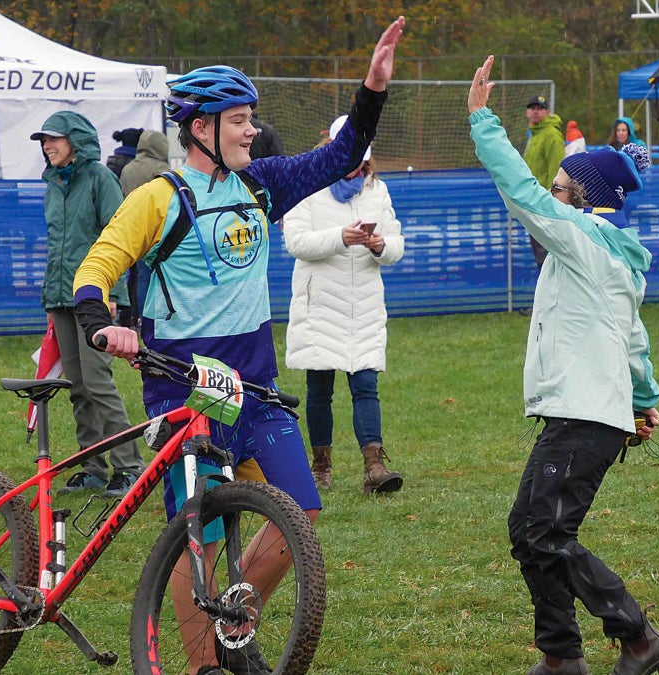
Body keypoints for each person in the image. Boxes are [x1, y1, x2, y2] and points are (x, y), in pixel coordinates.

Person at [73, 17, 405, 673]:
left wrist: (371, 90)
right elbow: (98, 265)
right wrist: (99, 320)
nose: (252, 129)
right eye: (239, 120)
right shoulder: (159, 197)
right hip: (184, 390)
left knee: (298, 515)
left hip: (252, 388)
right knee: (196, 534)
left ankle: (233, 623)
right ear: (201, 129)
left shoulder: (260, 184)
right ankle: (202, 666)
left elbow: (338, 157)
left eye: (252, 118)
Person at [469, 56, 659, 675]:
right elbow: (632, 340)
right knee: (527, 530)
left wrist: (483, 122)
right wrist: (642, 400)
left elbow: (522, 192)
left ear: (584, 197)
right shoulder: (608, 256)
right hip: (586, 413)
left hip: (582, 416)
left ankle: (638, 638)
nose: (550, 194)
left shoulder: (584, 239)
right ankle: (561, 656)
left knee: (546, 534)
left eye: (560, 186)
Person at [282, 115, 405, 494]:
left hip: (364, 304)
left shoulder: (377, 190)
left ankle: (375, 467)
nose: (356, 167)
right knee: (319, 389)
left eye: (361, 160)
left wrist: (381, 245)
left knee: (366, 384)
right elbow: (297, 242)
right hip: (320, 304)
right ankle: (321, 469)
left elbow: (397, 242)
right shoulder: (304, 185)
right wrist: (342, 237)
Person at [30, 110, 145, 497]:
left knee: (98, 383)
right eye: (44, 141)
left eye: (54, 139)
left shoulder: (100, 179)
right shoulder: (52, 184)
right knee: (77, 386)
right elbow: (56, 246)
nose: (47, 146)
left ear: (75, 141)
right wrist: (51, 298)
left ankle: (128, 467)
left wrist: (112, 295)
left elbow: (120, 238)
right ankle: (92, 465)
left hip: (95, 297)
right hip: (61, 297)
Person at [118, 129, 173, 325]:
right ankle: (164, 319)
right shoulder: (163, 169)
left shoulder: (128, 168)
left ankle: (143, 318)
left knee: (141, 277)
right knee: (164, 277)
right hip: (161, 232)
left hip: (135, 231)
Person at [523, 94, 564, 268]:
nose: (535, 112)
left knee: (547, 256)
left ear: (547, 111)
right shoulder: (534, 135)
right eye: (532, 108)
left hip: (545, 204)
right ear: (527, 112)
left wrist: (550, 200)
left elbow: (557, 171)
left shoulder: (551, 135)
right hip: (533, 202)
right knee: (539, 253)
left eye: (540, 108)